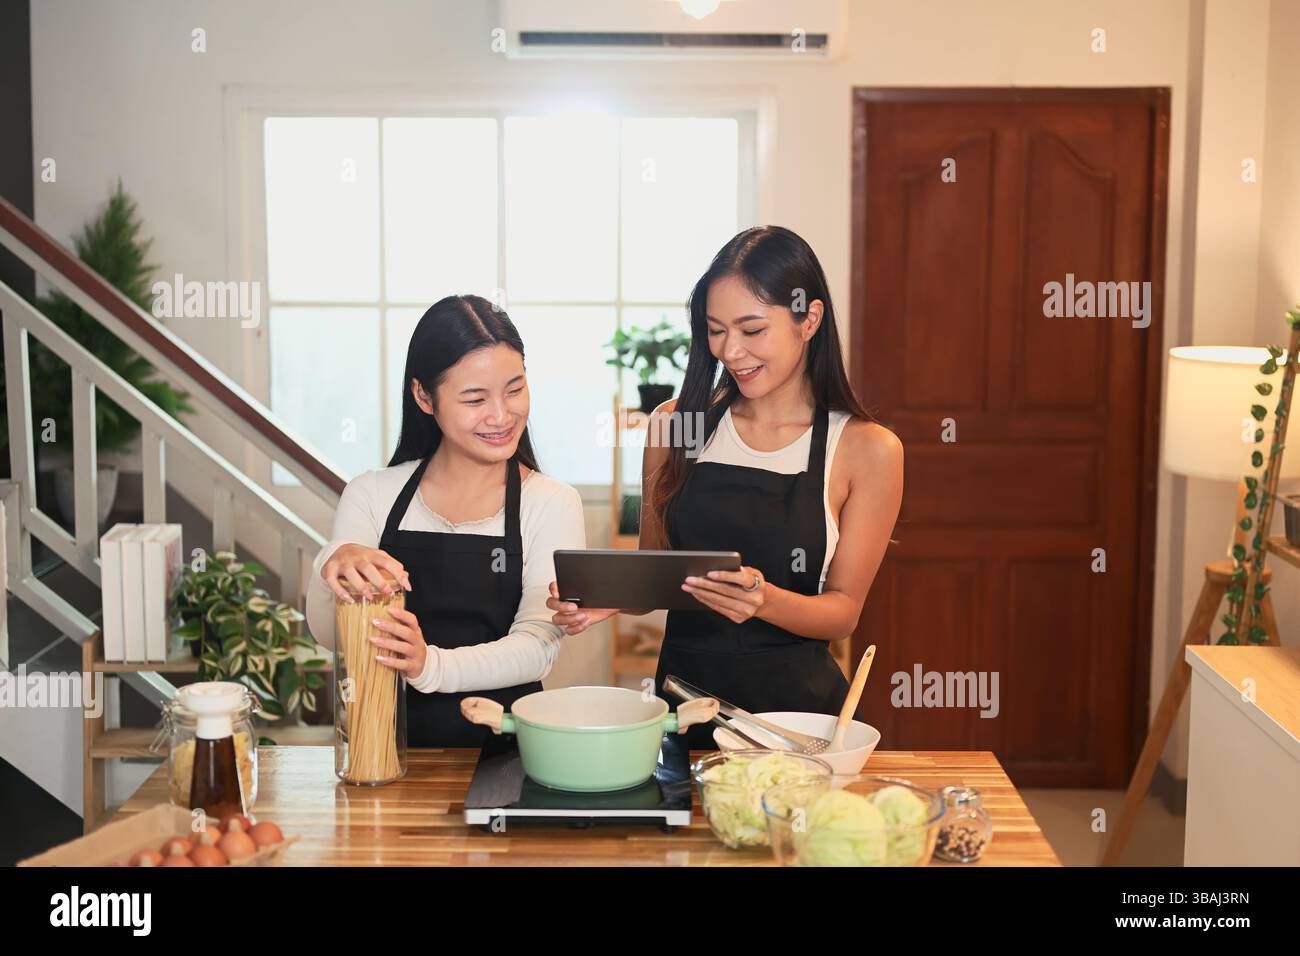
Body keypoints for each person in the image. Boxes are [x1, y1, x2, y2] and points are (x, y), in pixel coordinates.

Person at [548, 226, 903, 747]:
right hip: (684, 707)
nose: (731, 351)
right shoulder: (674, 427)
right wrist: (611, 594)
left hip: (796, 724)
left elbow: (843, 612)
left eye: (752, 329)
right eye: (715, 330)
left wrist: (764, 600)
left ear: (810, 319)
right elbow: (656, 568)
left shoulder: (867, 449)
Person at [306, 294, 585, 747]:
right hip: (382, 754)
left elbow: (538, 646)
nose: (501, 415)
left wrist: (428, 665)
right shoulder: (372, 494)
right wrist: (332, 562)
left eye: (515, 389)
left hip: (505, 753)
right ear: (424, 396)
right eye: (475, 398)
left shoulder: (551, 502)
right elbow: (330, 635)